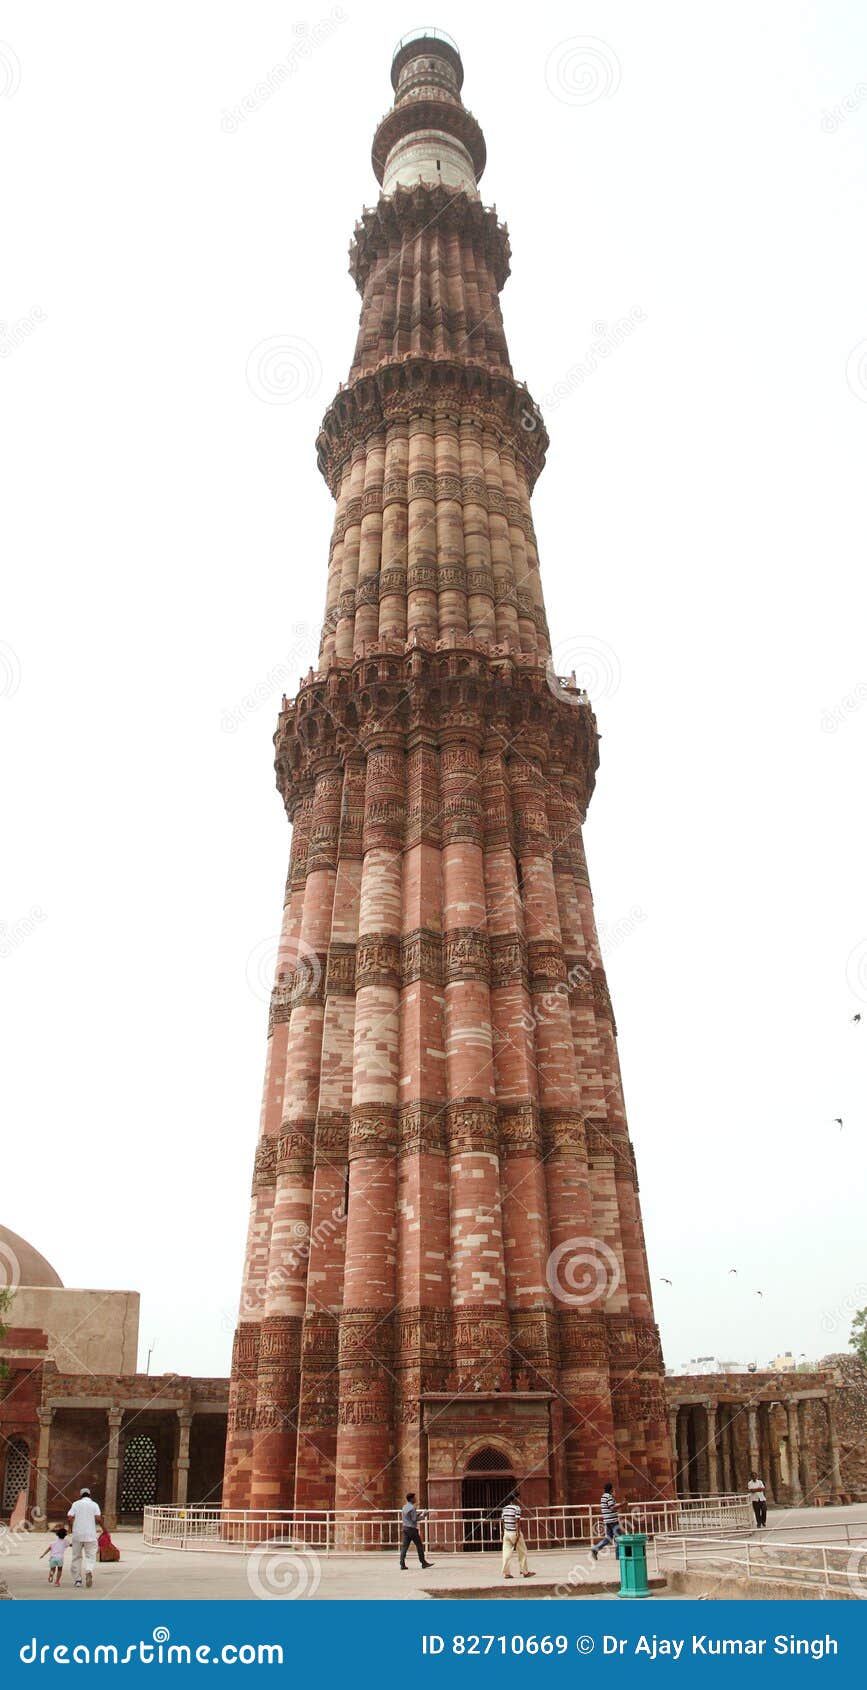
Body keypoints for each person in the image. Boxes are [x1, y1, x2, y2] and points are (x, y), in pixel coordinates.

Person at [67, 1487, 103, 1588]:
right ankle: (88, 1570)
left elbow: (70, 1517)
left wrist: (70, 1528)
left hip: (77, 1534)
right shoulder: (94, 1505)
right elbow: (98, 1518)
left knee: (76, 1557)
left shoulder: (75, 1504)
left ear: (81, 1495)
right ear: (89, 1494)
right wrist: (105, 1528)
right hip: (90, 1534)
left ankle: (78, 1580)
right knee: (90, 1556)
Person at [501, 1494, 535, 1580]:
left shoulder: (504, 1509)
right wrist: (518, 1533)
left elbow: (503, 1521)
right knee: (522, 1552)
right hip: (514, 1532)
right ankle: (525, 1571)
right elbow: (517, 1521)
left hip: (506, 1532)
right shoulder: (516, 1508)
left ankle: (506, 1573)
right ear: (515, 1500)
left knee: (506, 1553)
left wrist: (503, 1532)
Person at [399, 1493, 433, 1570]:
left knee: (404, 1547)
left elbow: (409, 1517)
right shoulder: (412, 1508)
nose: (415, 1499)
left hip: (405, 1528)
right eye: (414, 1498)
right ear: (411, 1499)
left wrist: (417, 1514)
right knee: (419, 1546)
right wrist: (423, 1516)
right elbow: (414, 1519)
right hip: (412, 1530)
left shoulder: (404, 1507)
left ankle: (402, 1564)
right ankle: (423, 1563)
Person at [590, 1482, 623, 1560]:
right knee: (618, 1538)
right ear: (611, 1489)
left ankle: (595, 1549)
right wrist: (623, 1504)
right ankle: (618, 1556)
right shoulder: (609, 1497)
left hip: (607, 1520)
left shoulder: (603, 1497)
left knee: (608, 1538)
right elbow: (612, 1508)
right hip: (613, 1520)